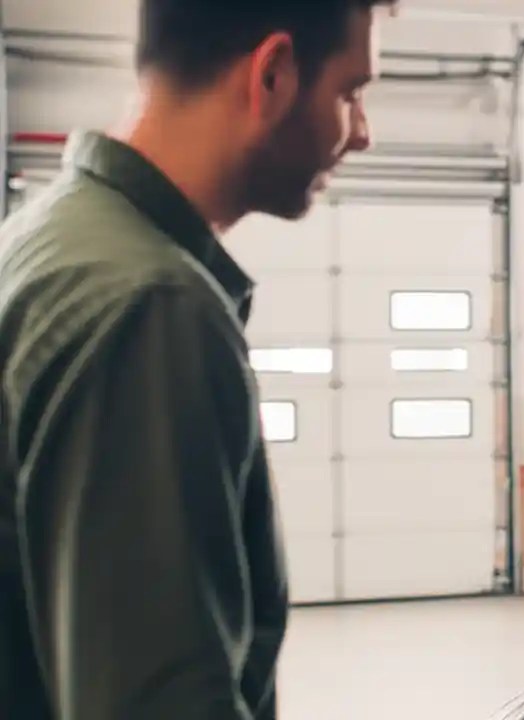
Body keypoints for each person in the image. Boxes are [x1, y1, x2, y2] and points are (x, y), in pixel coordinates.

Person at [0, 0, 393, 717]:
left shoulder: (51, 237)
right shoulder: (149, 303)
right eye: (350, 93)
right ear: (272, 73)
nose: (361, 133)